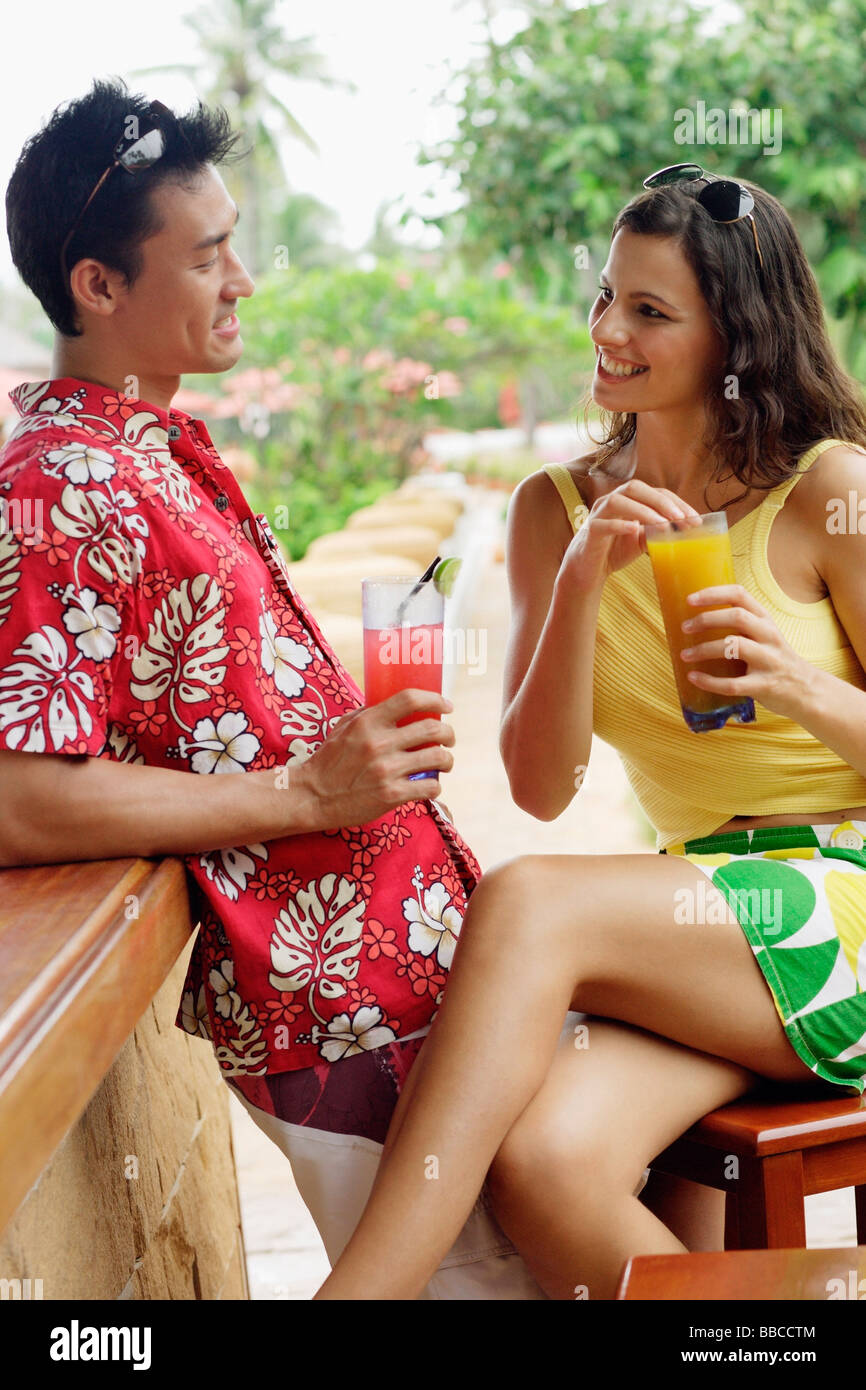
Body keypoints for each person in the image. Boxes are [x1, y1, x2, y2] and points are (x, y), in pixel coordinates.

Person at [0, 78, 559, 1299]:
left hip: (413, 976)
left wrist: (337, 737)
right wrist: (306, 787)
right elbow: (20, 800)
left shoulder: (150, 449)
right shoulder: (58, 483)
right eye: (206, 255)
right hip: (339, 1012)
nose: (242, 278)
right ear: (96, 285)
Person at [313, 169, 866, 1301]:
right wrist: (577, 580)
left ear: (736, 337)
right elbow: (541, 784)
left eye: (650, 312)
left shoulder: (822, 492)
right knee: (544, 1163)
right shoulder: (550, 511)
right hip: (701, 915)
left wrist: (793, 685)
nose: (608, 331)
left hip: (841, 898)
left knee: (526, 900)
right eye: (605, 297)